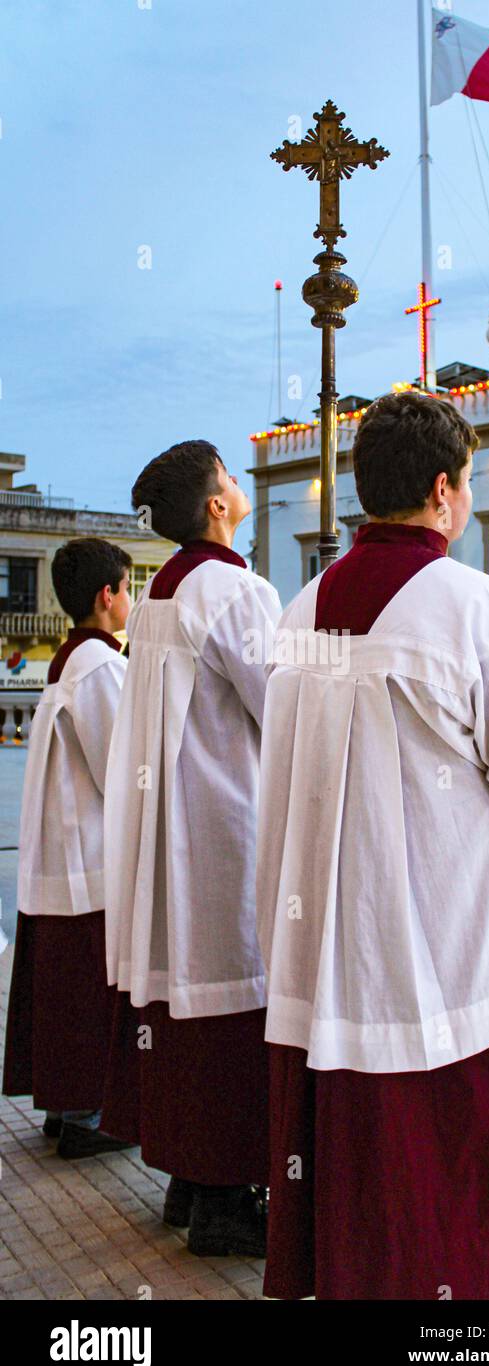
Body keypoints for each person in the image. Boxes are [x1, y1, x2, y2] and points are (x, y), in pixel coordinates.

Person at [256, 390, 489, 1301]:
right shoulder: (476, 611)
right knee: (444, 1177)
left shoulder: (298, 613)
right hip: (442, 953)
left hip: (323, 945)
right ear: (444, 489)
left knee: (350, 1167)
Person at [100, 440, 282, 1257]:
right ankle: (224, 1202)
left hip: (171, 832)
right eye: (232, 480)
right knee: (235, 1017)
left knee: (184, 1014)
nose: (240, 489)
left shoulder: (155, 600)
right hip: (227, 830)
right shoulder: (237, 590)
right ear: (215, 505)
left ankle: (187, 1179)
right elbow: (280, 705)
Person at [2, 538, 132, 1158]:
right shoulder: (101, 667)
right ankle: (86, 1114)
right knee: (88, 989)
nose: (130, 600)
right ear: (107, 596)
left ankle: (64, 1106)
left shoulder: (68, 659)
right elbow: (120, 765)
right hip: (93, 856)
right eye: (129, 589)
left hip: (64, 851)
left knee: (65, 985)